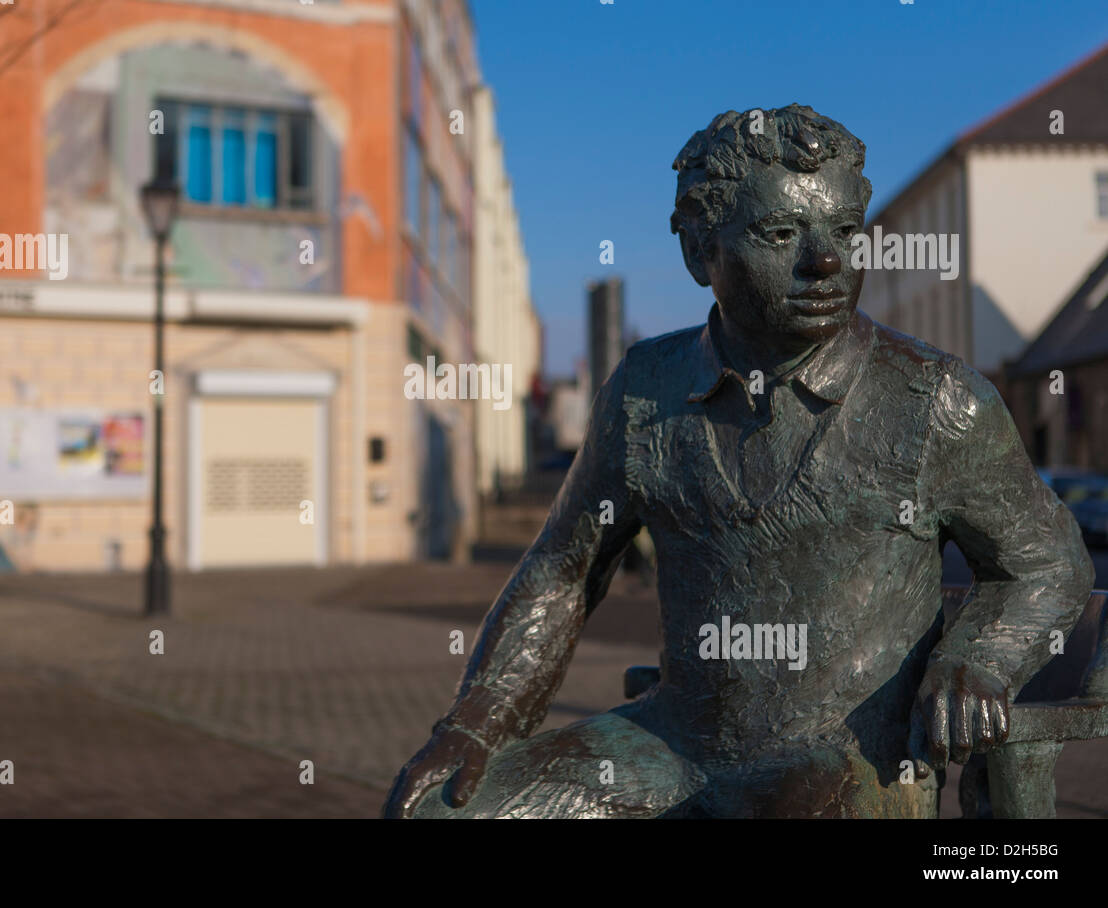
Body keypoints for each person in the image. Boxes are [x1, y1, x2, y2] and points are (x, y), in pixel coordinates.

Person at [384, 105, 1095, 819]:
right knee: (437, 811)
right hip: (671, 745)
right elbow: (563, 571)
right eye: (780, 234)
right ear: (701, 252)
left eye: (845, 233)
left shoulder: (936, 399)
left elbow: (1049, 563)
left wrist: (978, 658)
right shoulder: (643, 391)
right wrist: (476, 725)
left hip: (845, 765)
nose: (825, 262)